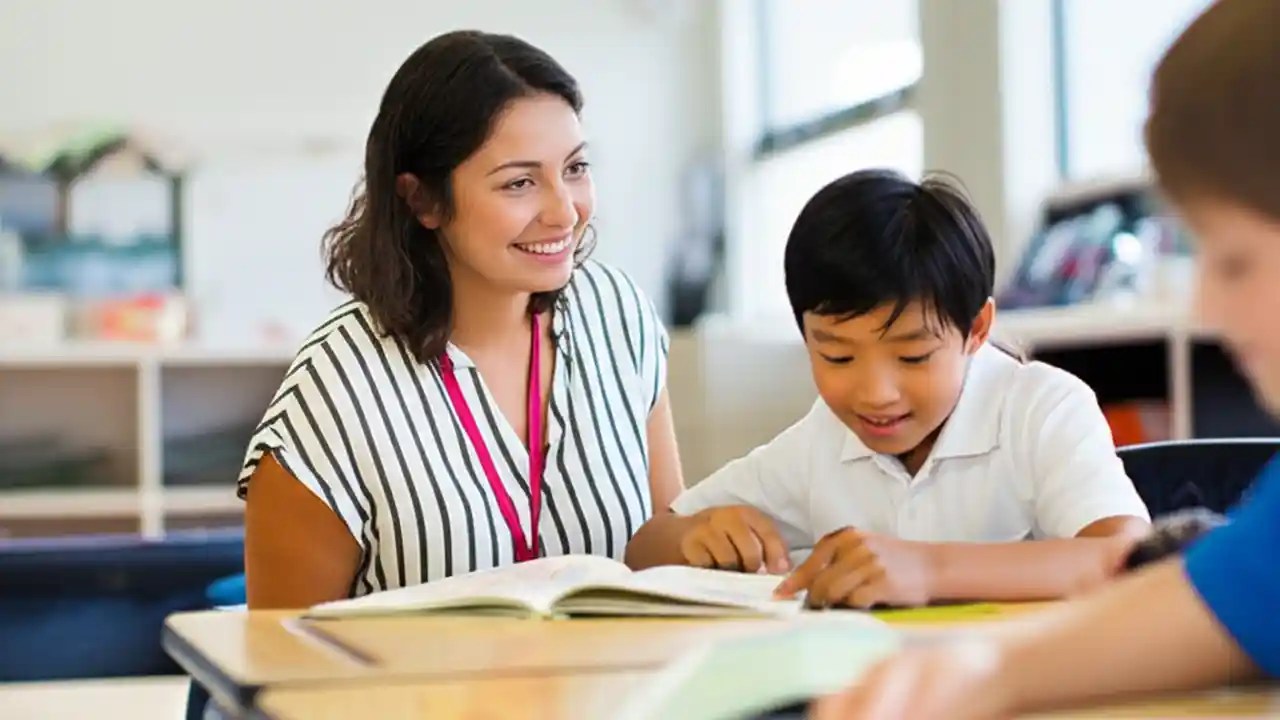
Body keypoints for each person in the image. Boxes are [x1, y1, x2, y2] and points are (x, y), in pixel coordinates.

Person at [814, 1, 1280, 716]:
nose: (1206, 308)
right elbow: (1217, 604)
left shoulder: (1041, 402)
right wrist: (978, 673)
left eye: (1236, 262)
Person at [239, 31, 683, 608]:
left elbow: (664, 556)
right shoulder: (334, 386)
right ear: (422, 199)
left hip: (621, 671)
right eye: (519, 183)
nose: (565, 211)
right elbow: (279, 649)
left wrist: (717, 539)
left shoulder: (617, 314)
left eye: (575, 168)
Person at [626, 170, 1149, 608]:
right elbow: (645, 546)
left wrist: (927, 569)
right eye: (837, 356)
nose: (876, 393)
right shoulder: (820, 443)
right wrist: (696, 536)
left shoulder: (1042, 409)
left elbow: (1123, 556)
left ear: (976, 329)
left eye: (913, 356)